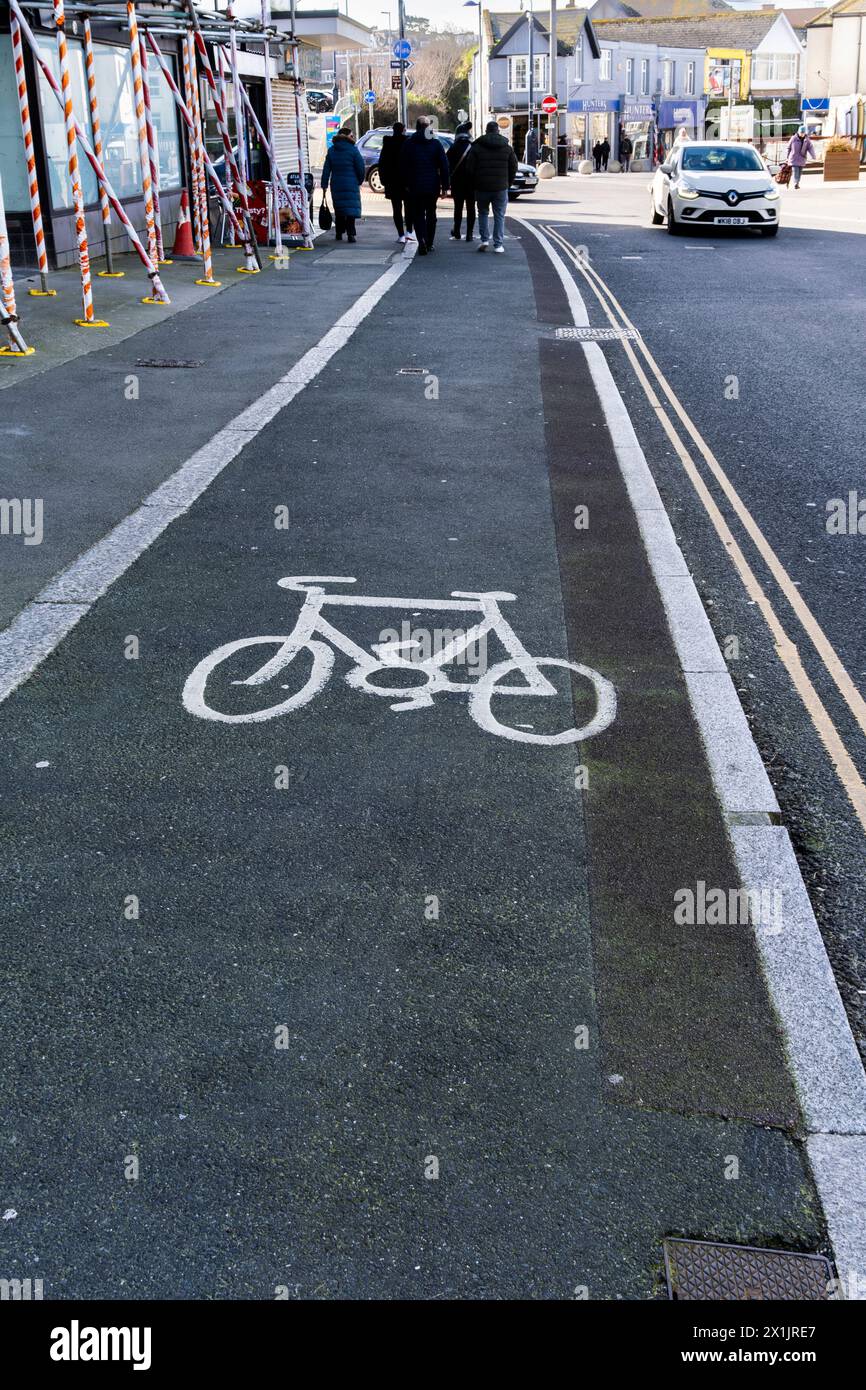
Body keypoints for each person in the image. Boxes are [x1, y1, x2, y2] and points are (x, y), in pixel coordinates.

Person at [465, 119, 518, 254]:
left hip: (481, 187)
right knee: (499, 215)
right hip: (500, 187)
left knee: (482, 213)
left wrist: (474, 184)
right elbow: (514, 167)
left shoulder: (476, 147)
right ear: (498, 131)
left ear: (486, 131)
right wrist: (508, 182)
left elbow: (469, 169)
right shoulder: (507, 147)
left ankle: (484, 240)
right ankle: (498, 244)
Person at [400, 116, 449, 255]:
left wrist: (406, 184)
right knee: (431, 213)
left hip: (414, 185)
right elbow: (444, 166)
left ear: (416, 127)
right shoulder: (436, 144)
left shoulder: (409, 144)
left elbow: (402, 166)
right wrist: (445, 186)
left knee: (418, 214)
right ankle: (429, 242)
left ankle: (421, 238)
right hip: (432, 185)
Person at [321, 125, 365, 242]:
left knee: (339, 209)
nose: (353, 137)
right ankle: (351, 234)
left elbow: (326, 169)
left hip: (336, 183)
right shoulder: (353, 150)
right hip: (351, 183)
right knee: (350, 209)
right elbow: (360, 167)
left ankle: (339, 233)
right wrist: (359, 180)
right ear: (347, 137)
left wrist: (324, 184)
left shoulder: (331, 150)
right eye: (351, 135)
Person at [378, 120, 414, 243]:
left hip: (392, 182)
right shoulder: (408, 143)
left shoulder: (387, 144)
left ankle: (401, 235)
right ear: (403, 130)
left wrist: (383, 180)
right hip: (407, 181)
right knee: (409, 208)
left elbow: (381, 163)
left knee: (396, 209)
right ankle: (409, 231)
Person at [447, 121, 476, 241]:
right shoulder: (473, 147)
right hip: (471, 183)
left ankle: (457, 231)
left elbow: (447, 166)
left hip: (457, 183)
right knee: (471, 207)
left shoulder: (453, 148)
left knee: (458, 208)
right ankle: (469, 234)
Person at [786, 125, 817, 189]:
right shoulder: (793, 138)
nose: (802, 134)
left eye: (803, 133)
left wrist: (813, 156)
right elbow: (788, 148)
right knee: (795, 171)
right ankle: (795, 183)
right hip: (794, 158)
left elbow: (810, 148)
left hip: (802, 159)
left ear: (805, 133)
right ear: (798, 132)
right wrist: (787, 157)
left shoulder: (807, 140)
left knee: (800, 172)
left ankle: (797, 183)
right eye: (801, 132)